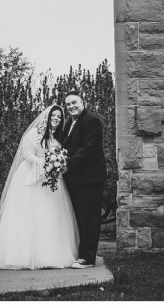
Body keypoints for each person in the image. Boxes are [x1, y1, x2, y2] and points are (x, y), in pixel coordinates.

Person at [0, 105, 79, 269]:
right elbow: (27, 155)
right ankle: (19, 255)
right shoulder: (34, 134)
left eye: (59, 117)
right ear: (47, 117)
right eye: (53, 115)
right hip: (29, 178)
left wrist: (56, 165)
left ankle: (50, 256)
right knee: (27, 214)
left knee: (49, 216)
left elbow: (60, 155)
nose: (56, 119)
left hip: (50, 180)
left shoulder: (57, 138)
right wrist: (45, 163)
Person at [61, 90, 107, 269]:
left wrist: (68, 165)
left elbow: (87, 147)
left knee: (89, 218)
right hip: (75, 178)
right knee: (80, 217)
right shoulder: (70, 122)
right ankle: (81, 254)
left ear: (83, 102)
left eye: (74, 103)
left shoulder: (91, 120)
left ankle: (87, 259)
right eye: (68, 104)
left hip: (90, 178)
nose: (71, 106)